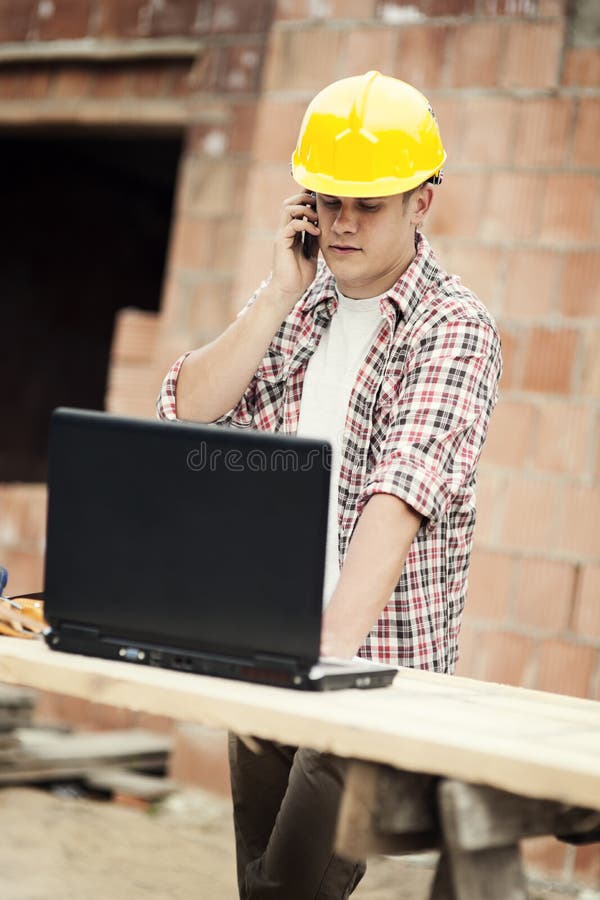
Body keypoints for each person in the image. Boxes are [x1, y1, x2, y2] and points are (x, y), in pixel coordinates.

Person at [157, 70, 502, 900]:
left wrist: (324, 667)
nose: (342, 223)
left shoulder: (453, 330)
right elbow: (188, 417)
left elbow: (398, 498)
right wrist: (279, 292)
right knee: (263, 891)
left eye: (368, 204)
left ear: (423, 200)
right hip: (268, 652)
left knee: (287, 893)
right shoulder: (300, 311)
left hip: (366, 678)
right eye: (327, 199)